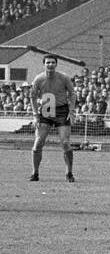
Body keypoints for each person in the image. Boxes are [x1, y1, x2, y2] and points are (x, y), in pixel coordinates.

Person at [29, 54, 76, 183]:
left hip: (61, 111)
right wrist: (35, 115)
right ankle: (35, 173)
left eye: (52, 62)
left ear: (56, 64)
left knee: (65, 142)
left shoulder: (64, 77)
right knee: (38, 143)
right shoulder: (38, 79)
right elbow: (32, 96)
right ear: (44, 64)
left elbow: (72, 93)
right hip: (45, 110)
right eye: (48, 62)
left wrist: (71, 112)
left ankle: (69, 173)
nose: (50, 65)